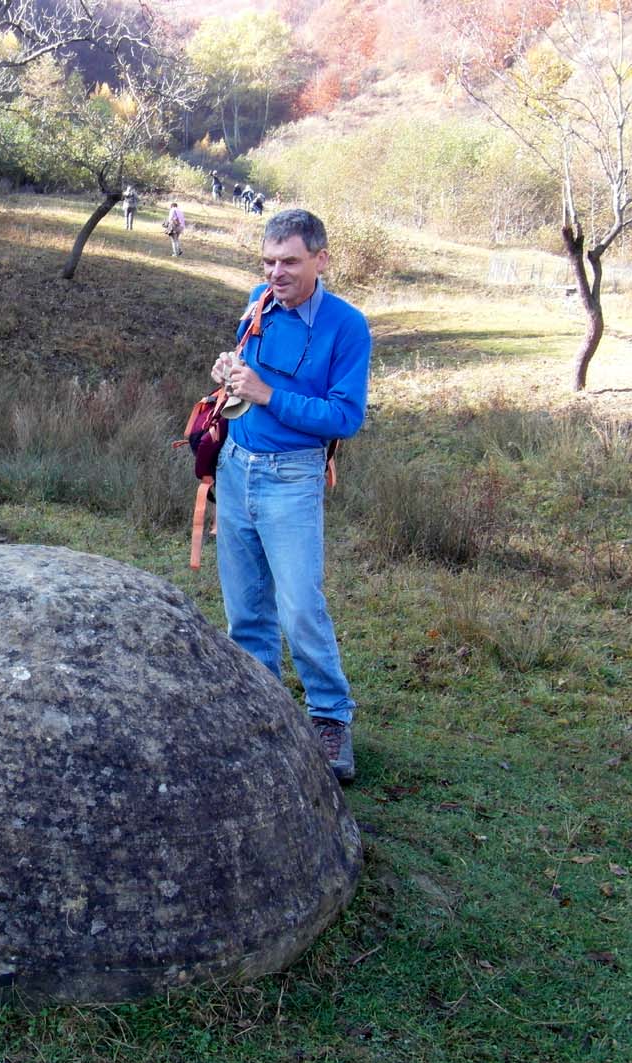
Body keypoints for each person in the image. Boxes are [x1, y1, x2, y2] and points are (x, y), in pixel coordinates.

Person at [209, 209, 371, 782]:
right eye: (268, 261)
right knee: (245, 608)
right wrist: (231, 372)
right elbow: (247, 374)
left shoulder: (347, 327)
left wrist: (267, 394)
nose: (276, 273)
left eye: (290, 262)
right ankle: (261, 710)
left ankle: (330, 717)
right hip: (236, 466)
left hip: (293, 476)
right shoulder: (259, 302)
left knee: (300, 607)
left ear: (320, 260)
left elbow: (345, 417)